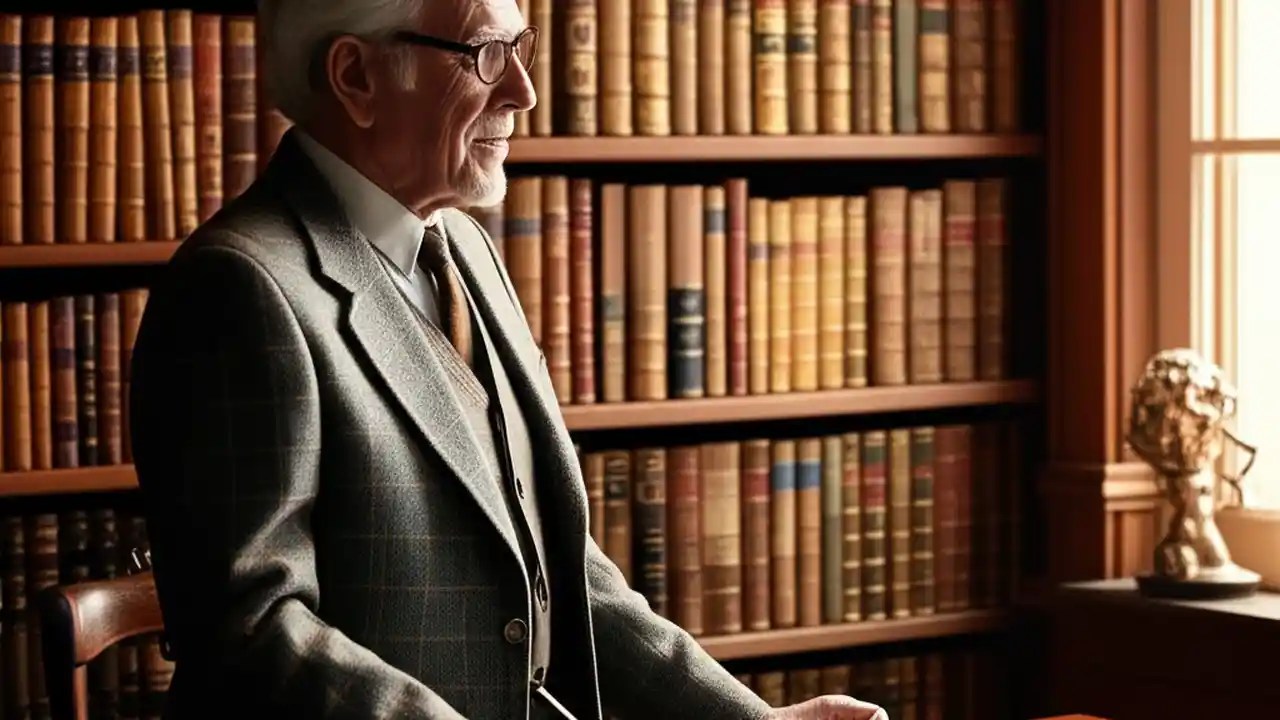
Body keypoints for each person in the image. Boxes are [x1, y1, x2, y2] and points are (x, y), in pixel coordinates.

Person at [127, 1, 889, 718]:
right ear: (356, 76)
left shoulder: (465, 247)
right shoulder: (237, 286)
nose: (523, 91)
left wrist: (743, 719)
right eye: (486, 54)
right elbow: (253, 630)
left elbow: (555, 563)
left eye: (522, 49)